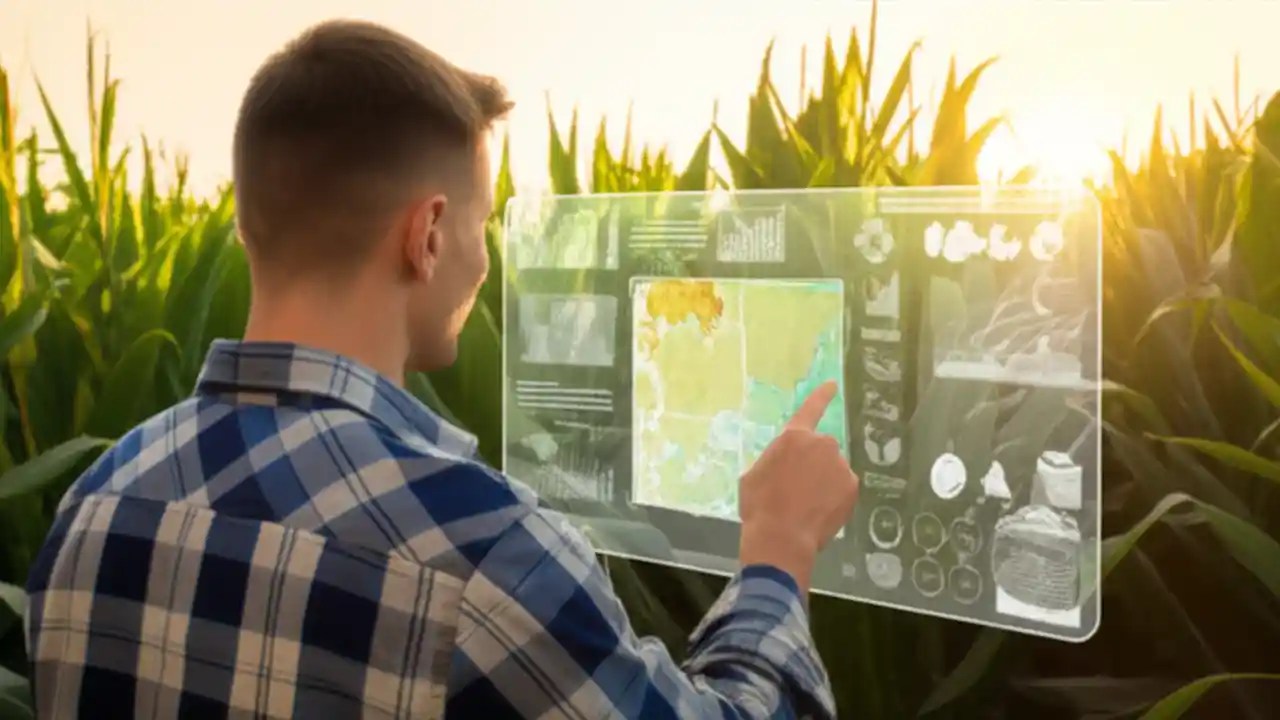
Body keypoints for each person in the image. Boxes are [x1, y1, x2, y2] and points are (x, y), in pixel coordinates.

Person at [24, 19, 859, 719]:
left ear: (247, 226)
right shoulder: (480, 553)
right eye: (481, 224)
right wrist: (778, 549)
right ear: (426, 236)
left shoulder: (92, 508)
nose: (484, 261)